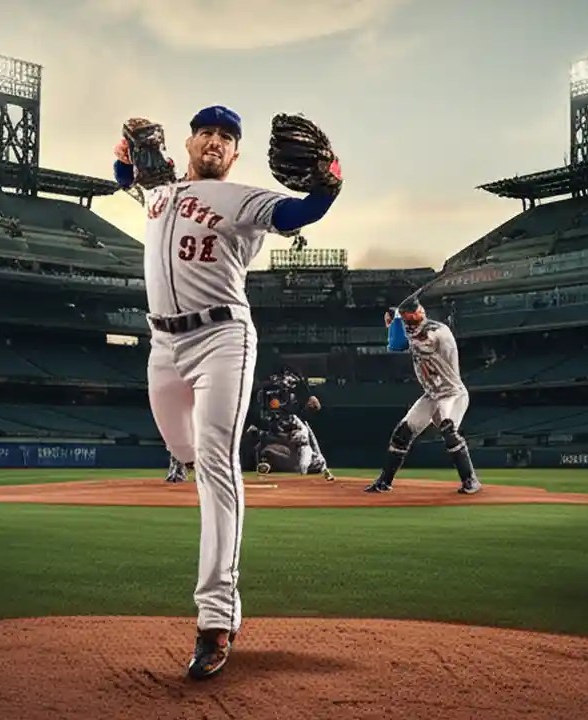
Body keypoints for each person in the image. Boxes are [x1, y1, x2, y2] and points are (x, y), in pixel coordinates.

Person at [113, 105, 339, 680]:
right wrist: (123, 164)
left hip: (223, 337)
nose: (216, 140)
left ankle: (216, 618)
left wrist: (330, 177)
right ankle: (197, 474)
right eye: (207, 132)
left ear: (235, 154)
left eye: (227, 137)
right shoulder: (160, 189)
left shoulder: (243, 198)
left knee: (216, 462)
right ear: (188, 143)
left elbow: (302, 209)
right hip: (162, 347)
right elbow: (131, 181)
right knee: (183, 450)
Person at [364, 297, 480, 494]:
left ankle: (471, 480)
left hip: (452, 393)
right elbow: (395, 344)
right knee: (402, 433)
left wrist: (396, 320)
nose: (418, 313)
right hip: (432, 394)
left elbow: (409, 343)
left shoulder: (437, 330)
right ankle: (384, 482)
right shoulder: (411, 329)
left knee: (448, 429)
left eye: (417, 310)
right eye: (413, 311)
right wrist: (395, 320)